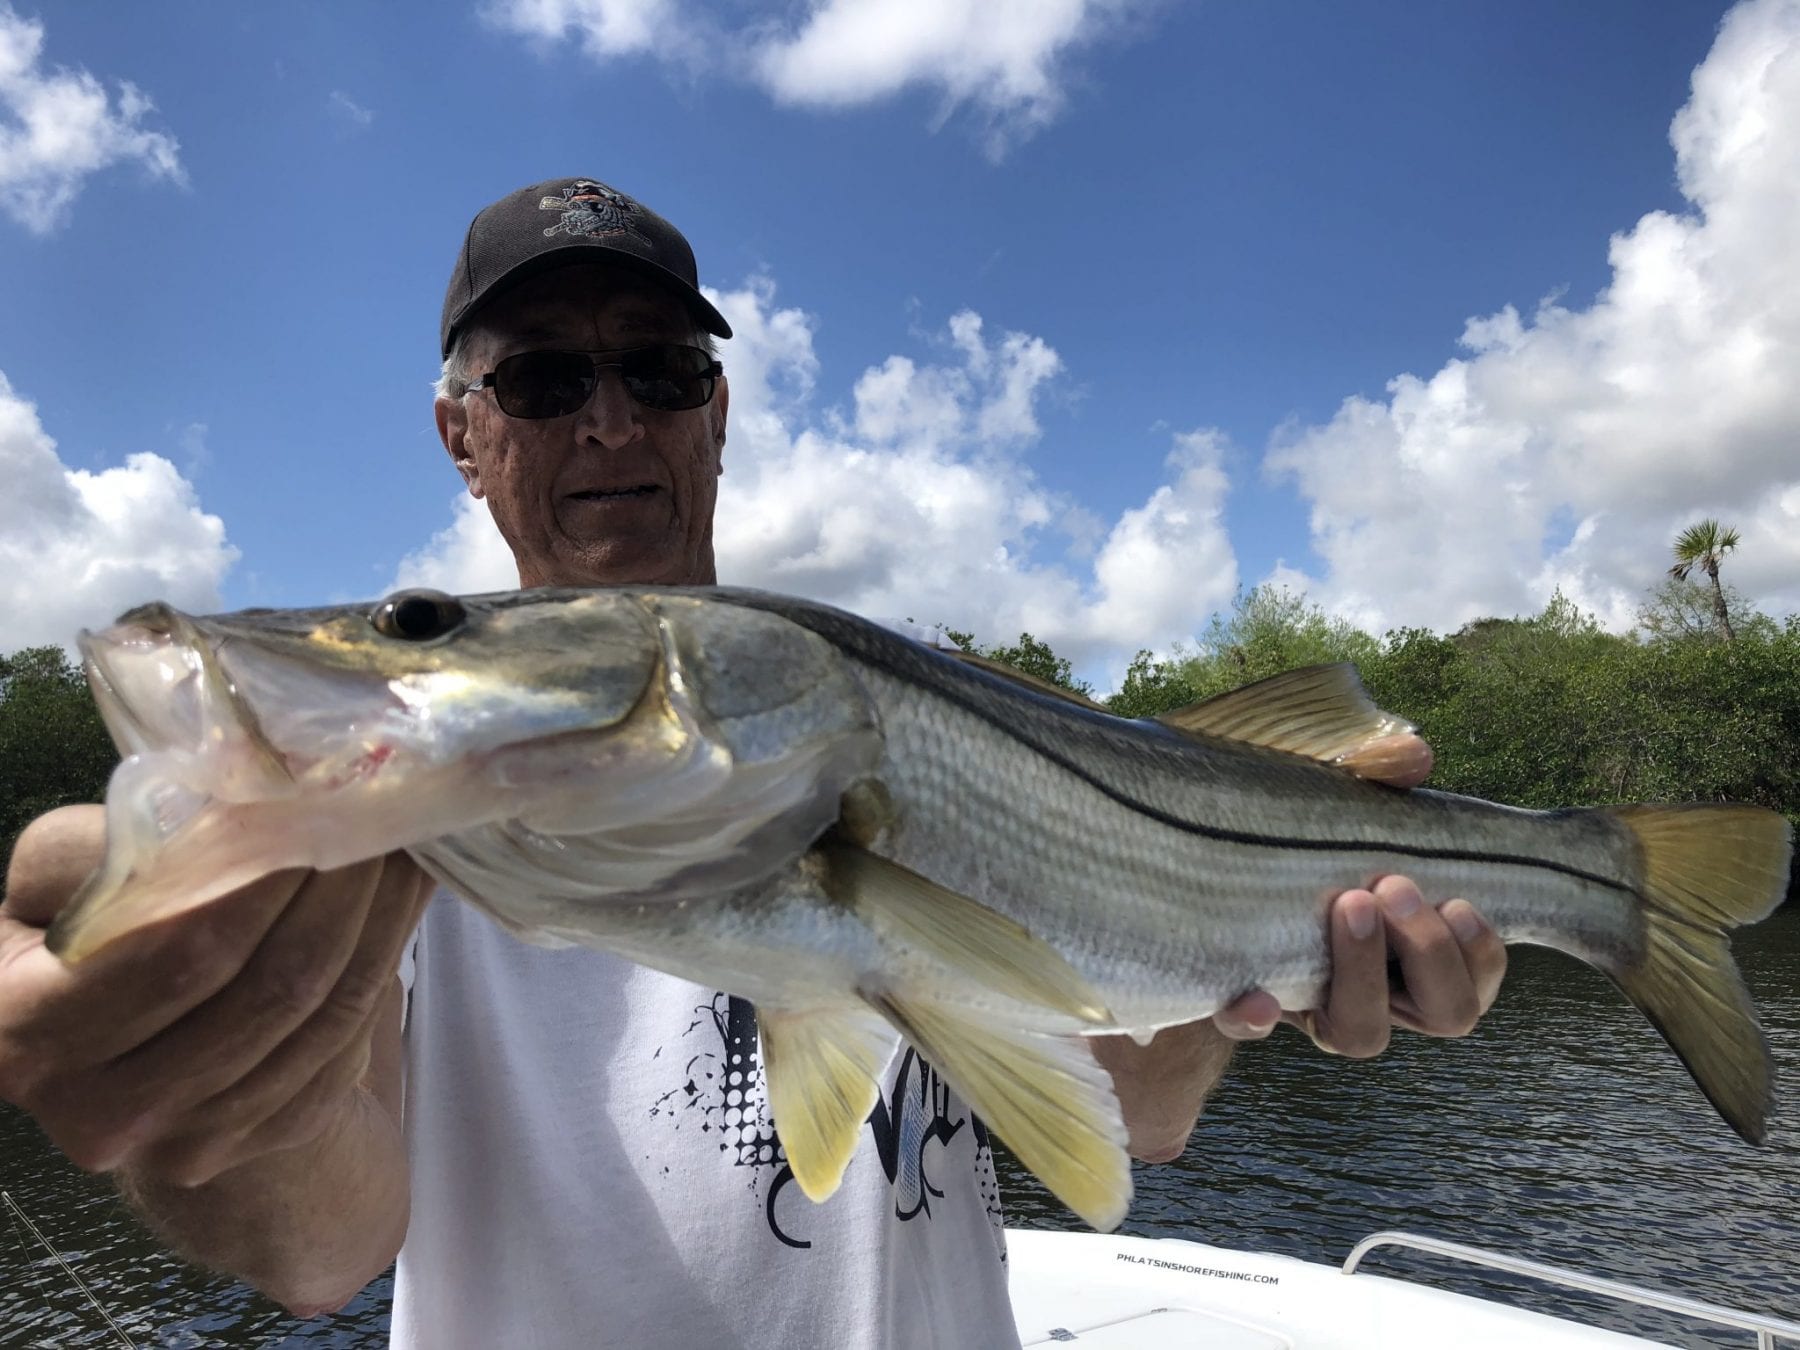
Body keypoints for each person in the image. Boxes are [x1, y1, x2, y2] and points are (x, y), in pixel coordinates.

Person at [0, 177, 1507, 1348]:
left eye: (657, 369)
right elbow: (320, 1244)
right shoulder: (410, 808)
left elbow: (1142, 1109)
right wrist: (207, 1085)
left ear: (714, 413)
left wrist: (1262, 963)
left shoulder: (937, 713)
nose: (608, 419)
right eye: (539, 382)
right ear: (463, 435)